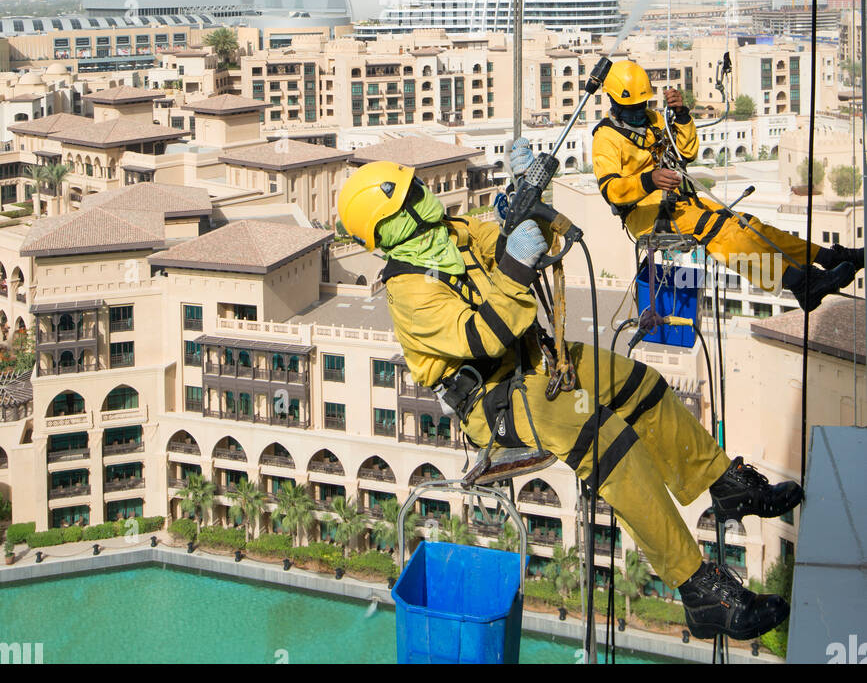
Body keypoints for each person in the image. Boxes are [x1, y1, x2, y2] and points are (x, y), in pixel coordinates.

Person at [338, 156, 799, 641]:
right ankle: (698, 588)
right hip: (494, 401)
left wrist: (528, 211)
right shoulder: (408, 291)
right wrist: (514, 264)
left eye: (417, 187)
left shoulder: (455, 233)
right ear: (391, 224)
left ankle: (724, 483)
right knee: (606, 439)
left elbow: (530, 247)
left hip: (537, 361)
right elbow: (485, 335)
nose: (424, 197)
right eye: (412, 197)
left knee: (639, 386)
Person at [591, 60, 863, 311]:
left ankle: (828, 258)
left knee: (750, 226)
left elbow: (686, 153)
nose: (639, 112)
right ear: (614, 102)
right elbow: (611, 191)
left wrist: (682, 115)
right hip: (647, 215)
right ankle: (799, 282)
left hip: (681, 203)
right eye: (632, 108)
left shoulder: (655, 120)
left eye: (642, 105)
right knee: (722, 232)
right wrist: (648, 180)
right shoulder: (605, 138)